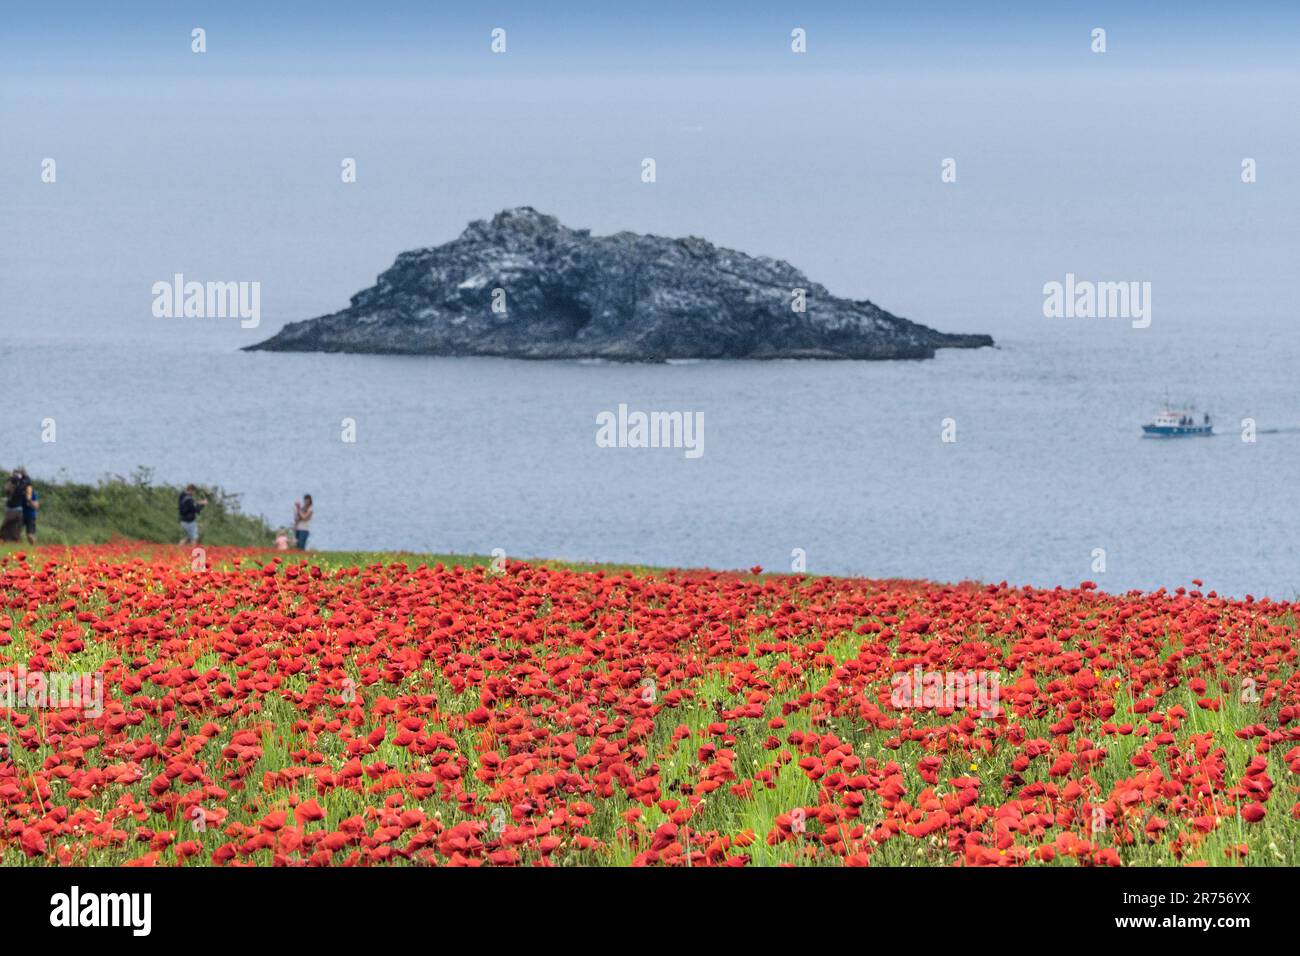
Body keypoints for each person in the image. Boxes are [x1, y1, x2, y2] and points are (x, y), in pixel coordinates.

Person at [1, 471, 23, 543]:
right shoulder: (20, 488)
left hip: (11, 510)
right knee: (15, 528)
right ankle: (14, 540)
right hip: (18, 510)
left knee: (6, 526)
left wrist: (10, 478)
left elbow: (6, 488)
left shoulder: (11, 488)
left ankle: (4, 539)